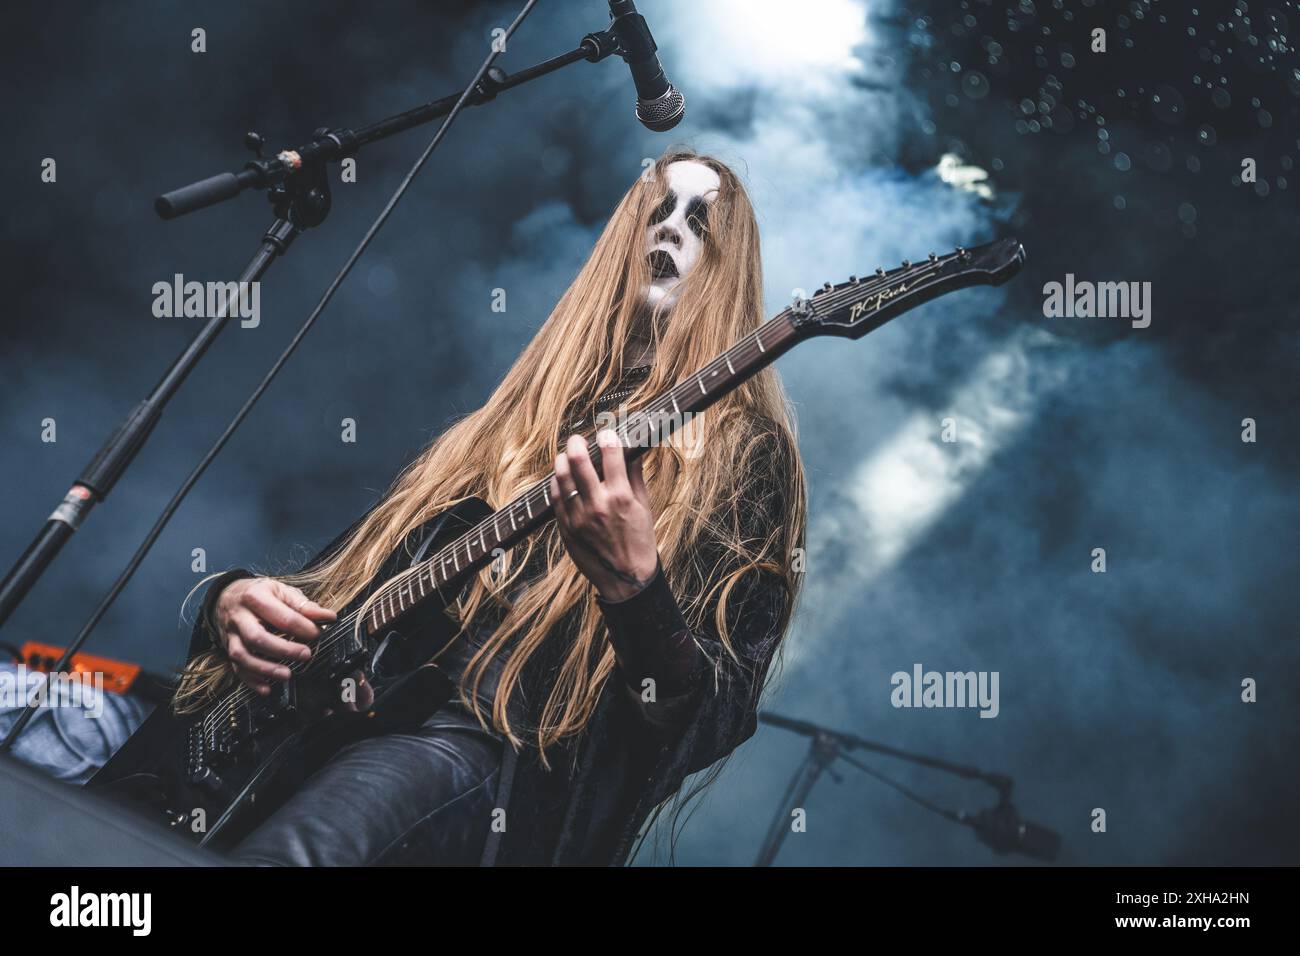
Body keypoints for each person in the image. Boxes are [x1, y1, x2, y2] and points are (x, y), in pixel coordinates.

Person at [173, 149, 807, 865]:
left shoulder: (744, 453)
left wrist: (637, 591)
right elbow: (335, 592)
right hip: (323, 731)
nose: (671, 231)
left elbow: (709, 717)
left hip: (481, 754)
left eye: (699, 220)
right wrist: (227, 598)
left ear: (728, 265)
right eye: (657, 212)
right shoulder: (502, 425)